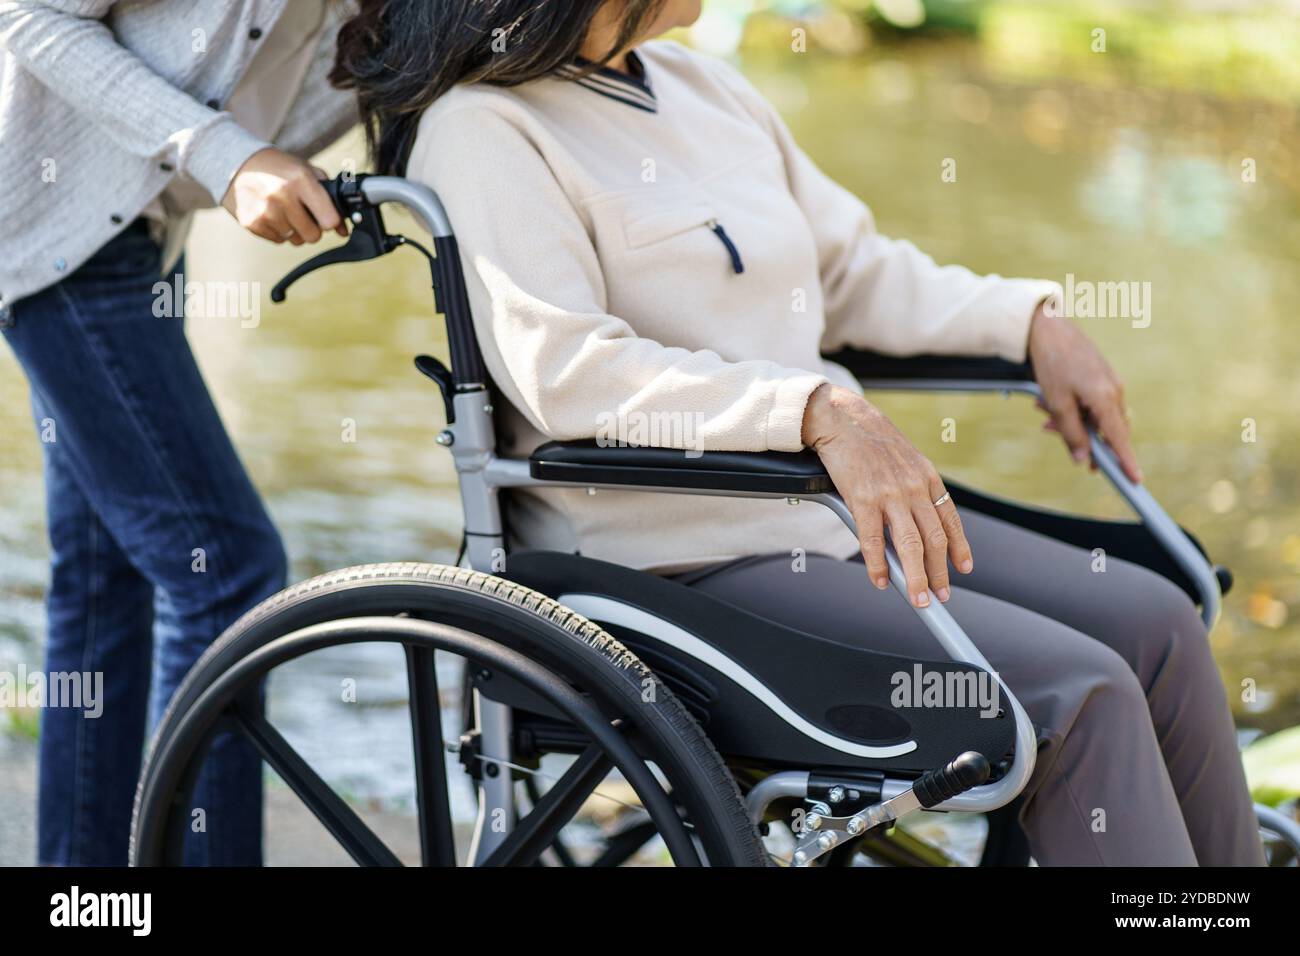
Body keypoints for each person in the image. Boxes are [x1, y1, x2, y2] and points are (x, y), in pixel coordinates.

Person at [331, 0, 1264, 865]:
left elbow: (855, 274)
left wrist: (1028, 322)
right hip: (679, 563)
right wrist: (811, 411)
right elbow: (568, 372)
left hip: (826, 517)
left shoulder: (703, 86)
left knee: (1157, 623)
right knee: (1075, 696)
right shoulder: (484, 128)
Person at [0, 0, 358, 865]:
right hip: (59, 235)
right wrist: (225, 155)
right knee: (226, 572)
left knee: (103, 576)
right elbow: (31, 13)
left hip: (145, 229)